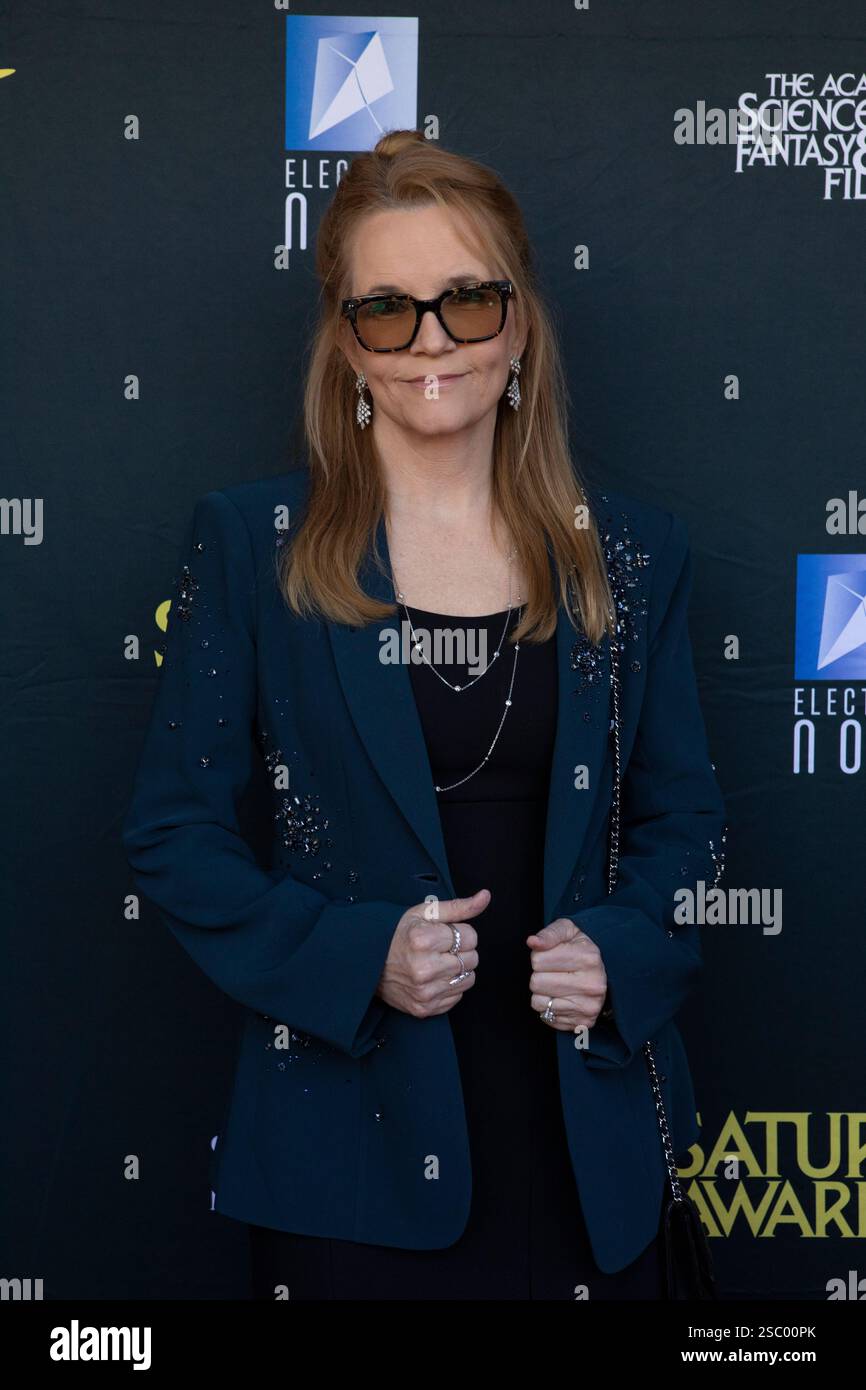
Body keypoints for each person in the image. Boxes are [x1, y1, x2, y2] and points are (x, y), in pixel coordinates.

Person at [122, 128, 727, 1301]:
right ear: (344, 345)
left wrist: (621, 950)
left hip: (586, 1140)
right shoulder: (257, 545)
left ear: (520, 323)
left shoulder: (634, 554)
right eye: (386, 311)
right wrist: (357, 959)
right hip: (347, 1146)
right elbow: (173, 833)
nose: (431, 343)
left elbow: (687, 819)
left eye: (465, 300)